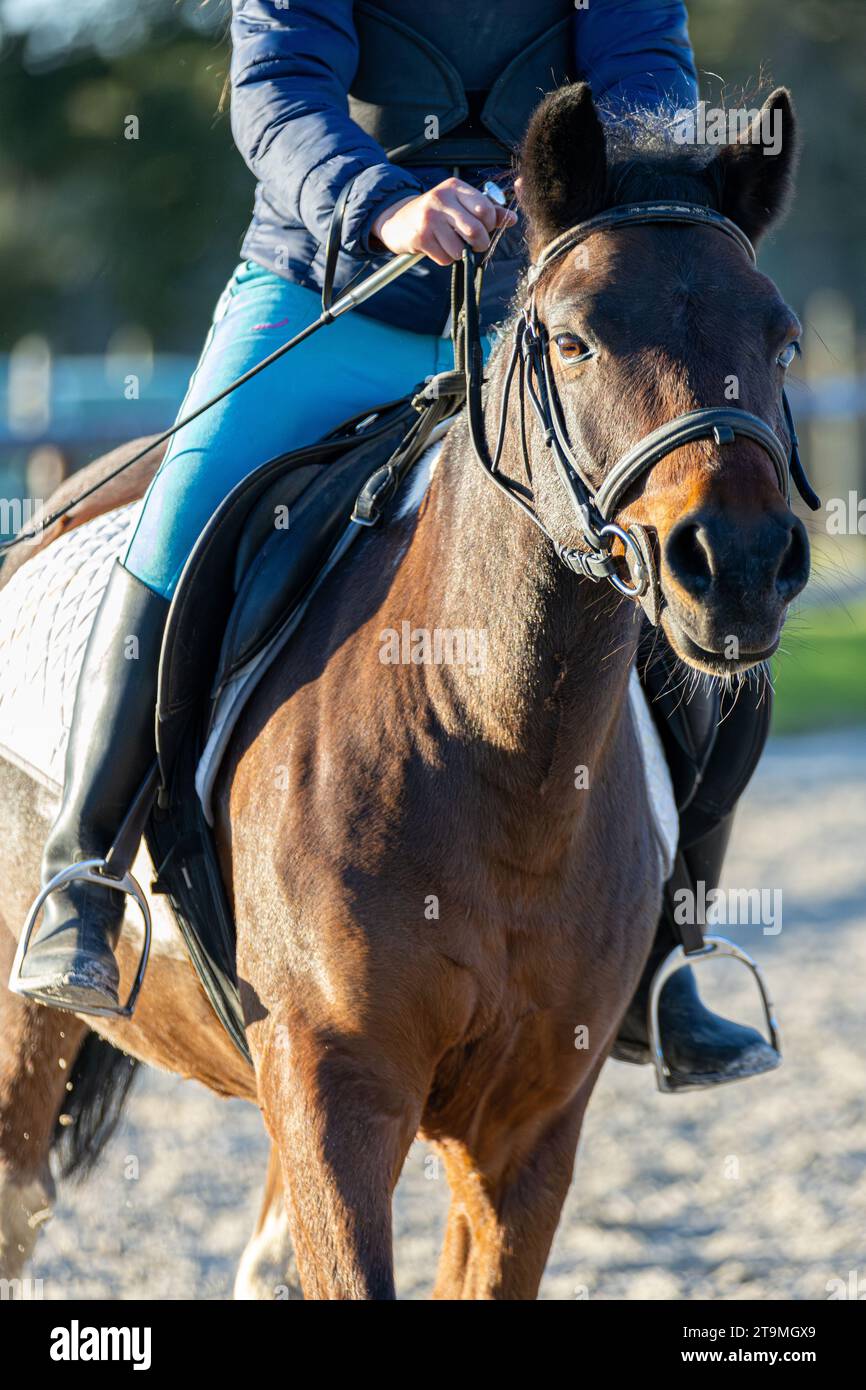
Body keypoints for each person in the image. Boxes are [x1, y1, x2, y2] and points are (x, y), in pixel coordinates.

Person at [15, 1, 778, 1088]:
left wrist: (589, 188)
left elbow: (644, 70)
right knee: (179, 525)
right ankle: (83, 873)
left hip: (547, 312)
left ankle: (661, 956)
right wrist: (384, 204)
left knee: (686, 564)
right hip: (334, 287)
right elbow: (278, 90)